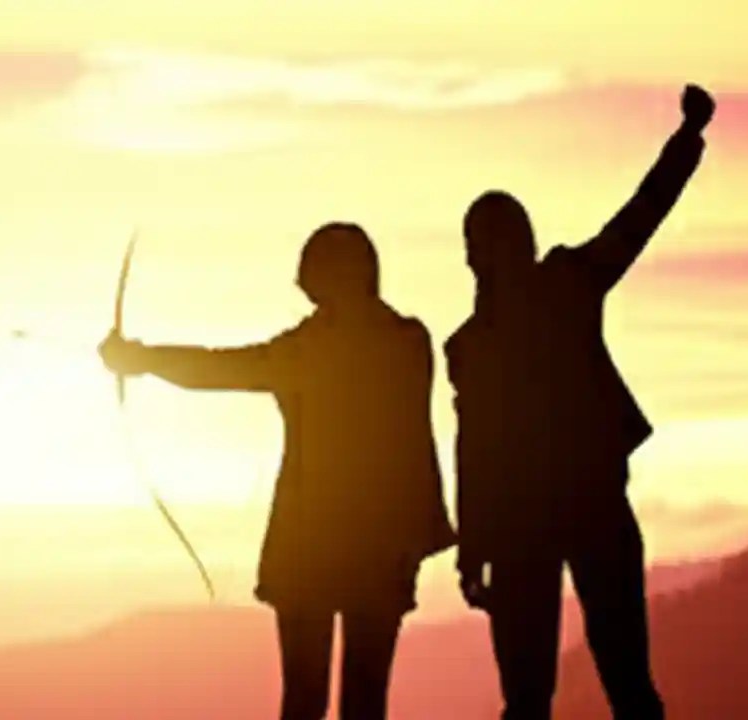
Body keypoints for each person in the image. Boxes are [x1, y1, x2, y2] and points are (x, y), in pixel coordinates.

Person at [99, 223, 456, 720]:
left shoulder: (313, 349)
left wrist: (140, 359)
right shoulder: (408, 341)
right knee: (366, 701)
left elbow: (221, 368)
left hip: (311, 547)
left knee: (305, 700)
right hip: (385, 546)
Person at [445, 84, 714, 720]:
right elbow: (638, 219)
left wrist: (473, 548)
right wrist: (687, 139)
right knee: (617, 685)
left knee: (549, 696)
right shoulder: (560, 289)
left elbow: (473, 453)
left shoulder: (479, 340)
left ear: (472, 258)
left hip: (536, 524)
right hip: (578, 510)